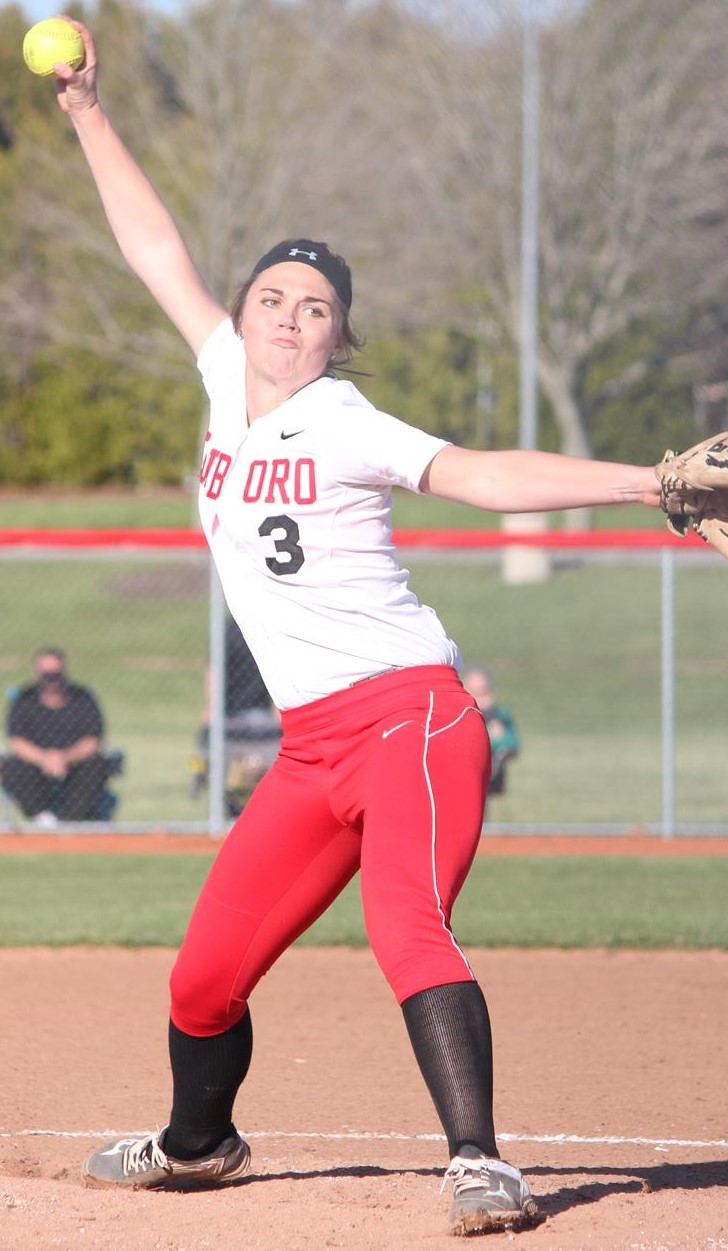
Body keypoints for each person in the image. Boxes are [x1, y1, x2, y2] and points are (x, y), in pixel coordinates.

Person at [51, 21, 662, 1235]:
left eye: (314, 306)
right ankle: (199, 1143)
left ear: (338, 335)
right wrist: (87, 115)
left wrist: (649, 483)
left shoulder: (351, 421)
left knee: (404, 928)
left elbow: (485, 475)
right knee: (203, 976)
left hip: (413, 719)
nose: (288, 317)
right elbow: (155, 248)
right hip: (310, 747)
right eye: (273, 296)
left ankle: (482, 1164)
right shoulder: (225, 376)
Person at [1, 647, 120, 825]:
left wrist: (64, 758)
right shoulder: (24, 699)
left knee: (97, 764)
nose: (51, 681)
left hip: (75, 761)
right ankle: (42, 818)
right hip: (35, 763)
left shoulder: (83, 698)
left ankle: (70, 820)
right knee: (11, 766)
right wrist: (44, 759)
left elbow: (92, 740)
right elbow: (17, 741)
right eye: (46, 675)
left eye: (55, 675)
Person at [191, 613, 281, 816]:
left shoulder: (255, 626)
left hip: (253, 716)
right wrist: (212, 705)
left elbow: (211, 669)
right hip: (233, 715)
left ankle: (234, 808)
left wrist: (211, 705)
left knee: (244, 774)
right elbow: (213, 667)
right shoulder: (239, 628)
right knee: (225, 766)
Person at [462, 667, 520, 796]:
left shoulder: (499, 716)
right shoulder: (458, 717)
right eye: (473, 692)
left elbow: (511, 744)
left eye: (482, 693)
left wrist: (490, 717)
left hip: (490, 779)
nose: (477, 698)